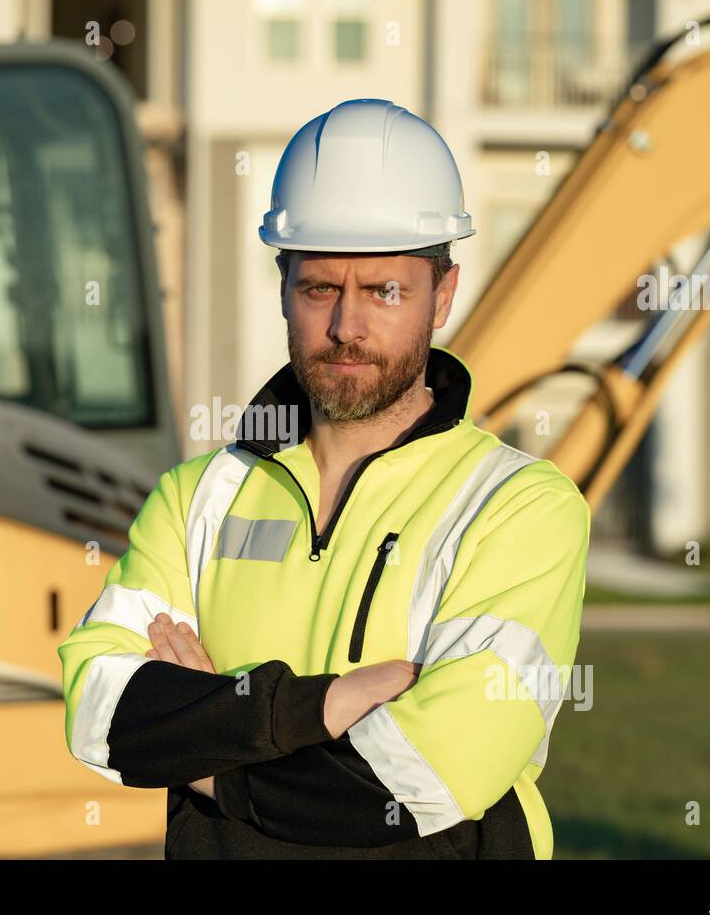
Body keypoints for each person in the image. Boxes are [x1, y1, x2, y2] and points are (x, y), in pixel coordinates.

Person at [58, 98, 591, 859]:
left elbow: (426, 776)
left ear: (442, 294)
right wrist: (329, 706)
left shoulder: (520, 507)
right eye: (319, 289)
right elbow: (97, 711)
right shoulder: (194, 497)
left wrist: (210, 747)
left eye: (384, 290)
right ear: (283, 287)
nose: (346, 325)